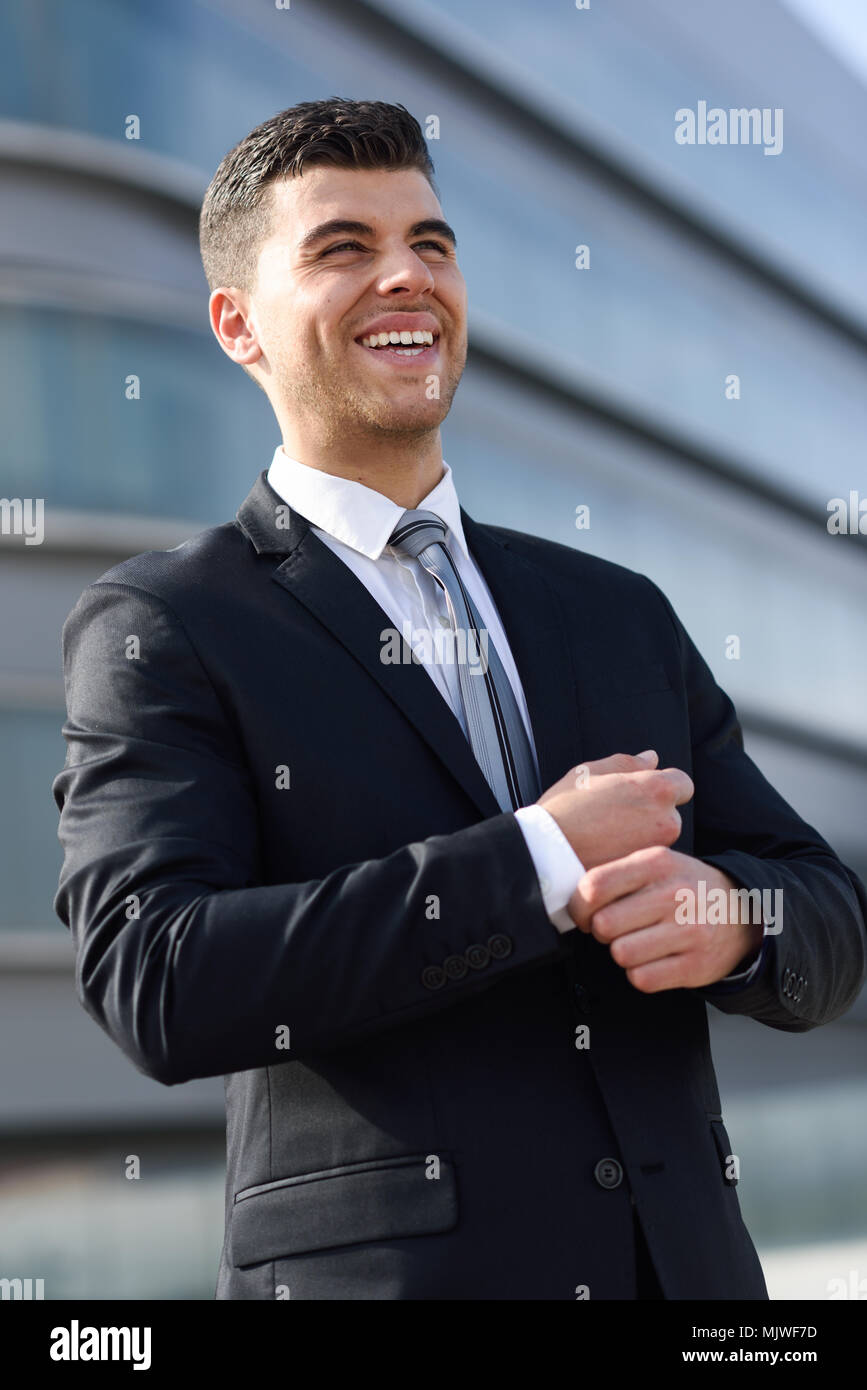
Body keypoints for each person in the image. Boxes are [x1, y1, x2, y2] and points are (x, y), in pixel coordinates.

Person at [52, 98, 867, 1301]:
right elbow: (158, 979)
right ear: (238, 326)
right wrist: (536, 858)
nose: (406, 279)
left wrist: (735, 918)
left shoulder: (615, 609)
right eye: (343, 249)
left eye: (430, 244)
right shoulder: (166, 625)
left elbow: (831, 913)